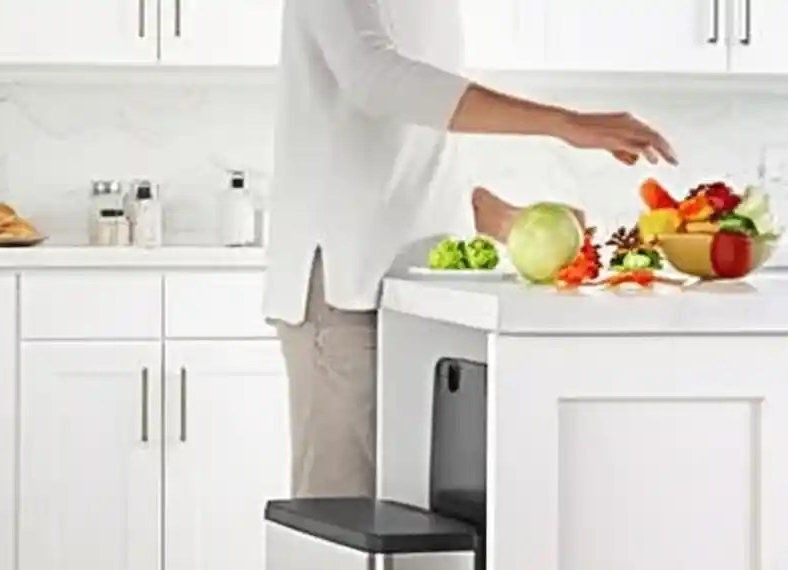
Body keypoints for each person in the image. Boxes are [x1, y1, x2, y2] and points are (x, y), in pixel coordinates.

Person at [264, 0, 677, 499]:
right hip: (344, 295)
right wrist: (563, 122)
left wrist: (503, 219)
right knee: (344, 514)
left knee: (418, 516)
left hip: (420, 297)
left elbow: (411, 148)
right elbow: (373, 78)